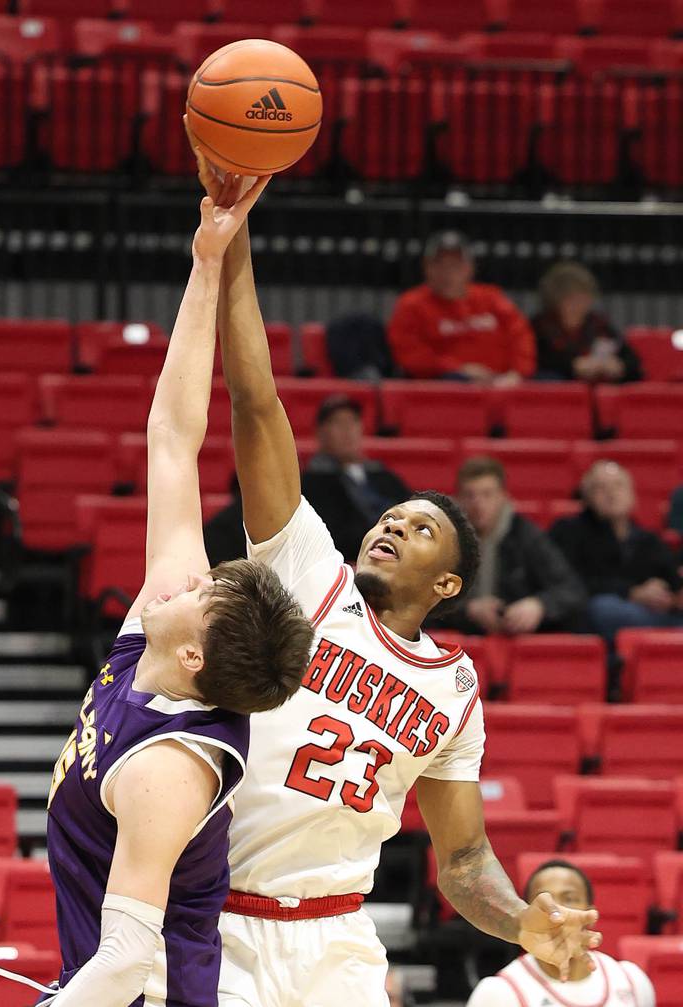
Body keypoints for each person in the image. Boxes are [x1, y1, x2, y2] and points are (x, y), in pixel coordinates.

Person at [189, 147, 601, 1007]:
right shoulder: (309, 571)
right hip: (218, 917)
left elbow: (461, 860)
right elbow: (257, 406)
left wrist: (522, 918)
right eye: (390, 515)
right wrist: (234, 242)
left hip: (337, 934)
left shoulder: (454, 685)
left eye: (418, 529)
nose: (388, 524)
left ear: (447, 584)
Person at [0, 180, 314, 1007]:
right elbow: (171, 436)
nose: (187, 579)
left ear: (194, 650)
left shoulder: (169, 769)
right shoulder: (167, 629)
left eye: (199, 594)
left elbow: (129, 959)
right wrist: (206, 261)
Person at [466, 859, 655, 1006]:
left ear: (591, 911)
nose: (557, 910)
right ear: (528, 913)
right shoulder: (498, 992)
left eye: (570, 898)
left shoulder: (631, 980)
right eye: (544, 902)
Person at [447, 457, 586, 635]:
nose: (478, 503)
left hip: (518, 637)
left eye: (487, 494)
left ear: (503, 497)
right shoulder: (444, 538)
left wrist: (539, 605)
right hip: (458, 639)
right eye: (470, 495)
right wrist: (468, 610)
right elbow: (423, 600)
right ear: (458, 500)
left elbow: (571, 590)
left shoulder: (525, 534)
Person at [551, 461, 683, 643]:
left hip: (649, 615)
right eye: (601, 487)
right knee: (604, 608)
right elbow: (570, 583)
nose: (612, 493)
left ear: (632, 495)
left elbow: (671, 576)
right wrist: (632, 592)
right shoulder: (568, 530)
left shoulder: (648, 539)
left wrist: (673, 597)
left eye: (618, 486)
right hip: (596, 618)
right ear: (586, 497)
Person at [387, 231, 535, 385]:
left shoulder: (492, 298)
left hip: (504, 386)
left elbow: (521, 336)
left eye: (455, 265)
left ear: (469, 268)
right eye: (439, 264)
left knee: (549, 380)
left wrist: (517, 373)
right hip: (445, 389)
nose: (448, 273)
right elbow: (410, 354)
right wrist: (459, 369)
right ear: (426, 267)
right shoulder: (411, 304)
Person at [301, 394, 411, 560]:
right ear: (320, 433)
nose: (347, 430)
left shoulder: (384, 476)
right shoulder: (312, 484)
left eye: (353, 421)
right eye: (337, 423)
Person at [531, 262, 642, 383]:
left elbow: (632, 361)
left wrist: (619, 365)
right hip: (561, 391)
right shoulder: (540, 327)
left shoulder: (599, 325)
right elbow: (537, 361)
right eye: (571, 299)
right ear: (555, 300)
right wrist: (573, 365)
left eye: (584, 298)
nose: (579, 305)